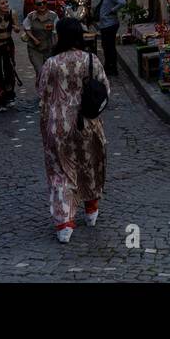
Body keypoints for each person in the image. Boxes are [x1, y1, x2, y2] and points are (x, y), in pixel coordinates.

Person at [37, 18, 109, 244]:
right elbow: (105, 89)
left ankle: (64, 223)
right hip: (87, 123)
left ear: (59, 36)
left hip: (59, 125)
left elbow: (42, 93)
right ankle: (91, 210)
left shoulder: (51, 63)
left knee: (60, 171)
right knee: (89, 164)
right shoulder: (91, 60)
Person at [93, 0, 126, 77]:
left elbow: (122, 2)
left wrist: (113, 10)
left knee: (110, 47)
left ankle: (112, 68)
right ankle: (108, 66)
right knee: (106, 46)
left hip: (110, 24)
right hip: (105, 24)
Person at [22, 0, 58, 81]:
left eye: (44, 3)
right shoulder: (31, 16)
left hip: (49, 47)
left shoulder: (53, 16)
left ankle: (48, 90)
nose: (42, 5)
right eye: (39, 4)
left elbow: (57, 31)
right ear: (35, 6)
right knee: (40, 70)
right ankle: (41, 90)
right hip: (34, 48)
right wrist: (34, 39)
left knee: (49, 71)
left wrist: (53, 29)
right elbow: (26, 28)